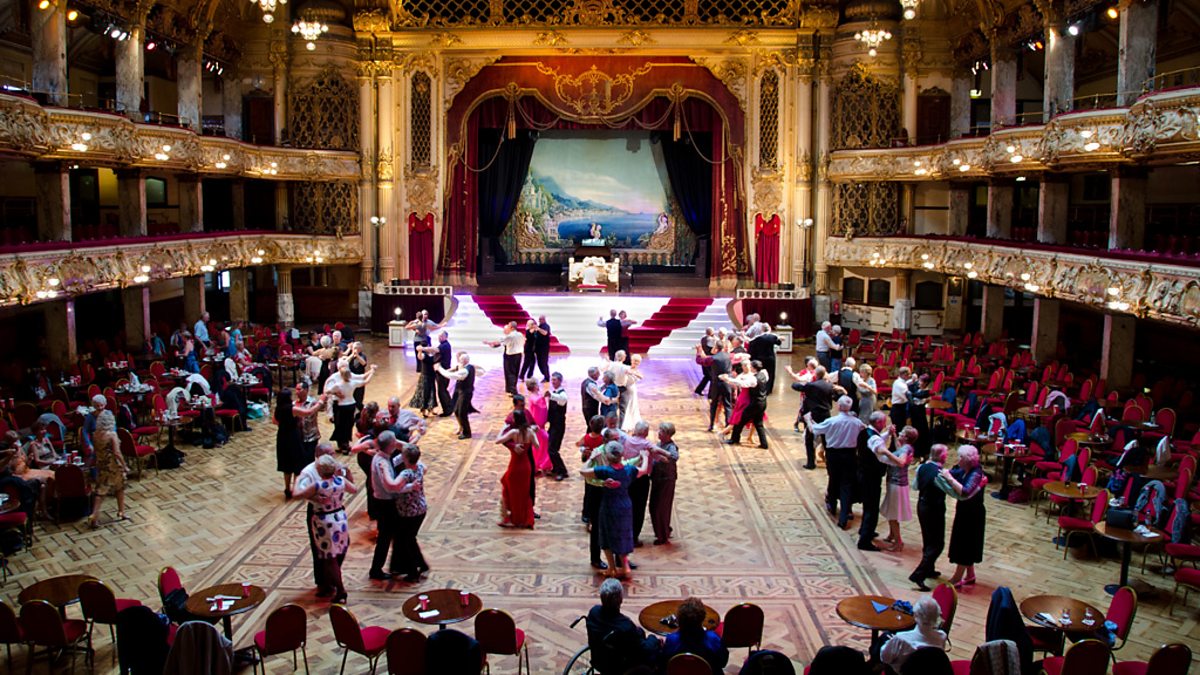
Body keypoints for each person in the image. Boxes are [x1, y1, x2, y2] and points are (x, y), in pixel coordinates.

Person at [292, 454, 357, 603]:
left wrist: (297, 481)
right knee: (338, 551)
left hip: (324, 521)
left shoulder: (318, 485)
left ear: (320, 471)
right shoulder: (340, 481)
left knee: (329, 557)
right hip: (339, 517)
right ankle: (333, 583)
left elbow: (296, 494)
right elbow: (353, 489)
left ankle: (340, 589)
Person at [581, 440, 650, 578]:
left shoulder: (606, 471)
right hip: (625, 505)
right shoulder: (628, 470)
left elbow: (583, 471)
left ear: (607, 456)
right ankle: (625, 566)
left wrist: (591, 458)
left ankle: (611, 568)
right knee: (623, 534)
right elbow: (643, 470)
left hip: (609, 506)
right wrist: (645, 457)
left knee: (606, 535)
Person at [805, 396, 866, 529]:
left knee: (834, 479)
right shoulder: (856, 422)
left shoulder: (832, 421)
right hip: (850, 455)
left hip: (833, 455)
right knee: (846, 484)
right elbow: (864, 429)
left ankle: (832, 505)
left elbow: (814, 430)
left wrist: (809, 420)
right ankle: (844, 516)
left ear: (838, 406)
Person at [586, 579, 659, 674]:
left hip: (599, 660)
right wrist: (653, 638)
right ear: (620, 599)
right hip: (620, 667)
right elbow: (644, 650)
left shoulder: (593, 612)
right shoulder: (625, 627)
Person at [294, 441, 338, 596]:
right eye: (331, 453)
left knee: (335, 548)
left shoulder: (332, 466)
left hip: (335, 512)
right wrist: (315, 496)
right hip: (317, 513)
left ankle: (332, 578)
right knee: (320, 549)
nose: (334, 456)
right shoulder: (308, 471)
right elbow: (298, 492)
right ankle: (323, 583)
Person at [942, 444, 987, 588]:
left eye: (960, 457)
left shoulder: (976, 473)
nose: (958, 459)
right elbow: (951, 472)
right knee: (966, 543)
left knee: (964, 545)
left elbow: (965, 491)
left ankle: (957, 578)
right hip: (964, 511)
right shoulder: (964, 469)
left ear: (967, 459)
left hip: (973, 515)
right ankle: (970, 575)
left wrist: (949, 478)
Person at [909, 444, 949, 590]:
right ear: (943, 456)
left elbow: (915, 487)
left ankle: (929, 569)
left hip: (922, 505)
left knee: (928, 540)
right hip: (934, 509)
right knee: (938, 544)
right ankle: (919, 574)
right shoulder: (939, 473)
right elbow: (949, 490)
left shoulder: (922, 468)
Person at [368, 431, 406, 580]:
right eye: (394, 442)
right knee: (385, 537)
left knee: (393, 535)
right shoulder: (381, 462)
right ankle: (376, 569)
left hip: (384, 503)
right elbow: (390, 486)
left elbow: (406, 450)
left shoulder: (382, 457)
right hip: (385, 504)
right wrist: (407, 487)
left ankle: (396, 566)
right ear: (390, 445)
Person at [659, 597, 728, 674]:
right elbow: (723, 662)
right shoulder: (714, 639)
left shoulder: (671, 640)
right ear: (703, 618)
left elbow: (664, 664)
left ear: (679, 620)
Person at [858, 412, 895, 552]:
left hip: (863, 474)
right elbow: (879, 449)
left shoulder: (866, 432)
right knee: (872, 509)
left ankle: (864, 530)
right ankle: (865, 540)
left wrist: (888, 434)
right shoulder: (873, 438)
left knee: (868, 506)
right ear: (878, 423)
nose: (885, 425)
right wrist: (897, 460)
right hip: (870, 476)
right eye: (884, 423)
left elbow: (876, 440)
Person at [880, 596, 947, 672]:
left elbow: (884, 658)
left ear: (915, 615)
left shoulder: (900, 639)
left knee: (885, 636)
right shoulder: (942, 636)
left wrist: (890, 643)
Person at [393, 443, 429, 582]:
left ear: (405, 458)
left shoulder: (405, 473)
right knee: (410, 539)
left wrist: (407, 487)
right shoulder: (419, 467)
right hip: (420, 507)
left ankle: (413, 572)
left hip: (409, 511)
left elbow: (394, 487)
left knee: (406, 541)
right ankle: (422, 564)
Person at [495, 410, 537, 528]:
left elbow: (498, 440)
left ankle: (506, 516)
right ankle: (523, 517)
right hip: (526, 466)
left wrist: (502, 429)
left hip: (515, 466)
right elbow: (537, 445)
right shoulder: (529, 432)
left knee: (508, 490)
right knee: (523, 493)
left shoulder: (513, 432)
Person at [88, 410, 128, 528]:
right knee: (120, 487)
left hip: (101, 463)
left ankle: (95, 514)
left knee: (101, 490)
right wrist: (124, 465)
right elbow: (117, 452)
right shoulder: (112, 435)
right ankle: (121, 512)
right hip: (112, 465)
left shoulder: (95, 434)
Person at [579, 415, 609, 568]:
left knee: (589, 501)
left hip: (592, 480)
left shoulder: (590, 441)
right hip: (600, 484)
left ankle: (587, 516)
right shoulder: (604, 448)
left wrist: (585, 453)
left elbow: (584, 463)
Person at [326, 363, 377, 453]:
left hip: (342, 406)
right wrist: (372, 372)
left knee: (341, 425)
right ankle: (345, 444)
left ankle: (344, 445)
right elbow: (365, 381)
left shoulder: (338, 385)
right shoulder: (353, 383)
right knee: (348, 425)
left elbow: (327, 391)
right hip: (351, 405)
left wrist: (336, 393)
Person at [881, 426, 916, 552]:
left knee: (892, 514)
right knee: (892, 511)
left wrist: (886, 452)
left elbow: (901, 462)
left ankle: (898, 542)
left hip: (897, 484)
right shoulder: (906, 447)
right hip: (897, 483)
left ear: (906, 437)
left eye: (901, 433)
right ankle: (892, 535)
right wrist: (894, 435)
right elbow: (899, 449)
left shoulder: (906, 449)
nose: (900, 434)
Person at [723, 359, 770, 449]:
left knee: (740, 421)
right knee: (759, 424)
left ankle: (734, 439)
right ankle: (764, 444)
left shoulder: (754, 379)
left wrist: (727, 379)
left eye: (751, 366)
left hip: (755, 404)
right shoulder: (763, 374)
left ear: (754, 368)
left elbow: (742, 383)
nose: (750, 367)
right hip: (763, 402)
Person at [796, 365, 834, 470]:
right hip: (826, 414)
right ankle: (829, 461)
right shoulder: (829, 385)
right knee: (826, 439)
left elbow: (795, 386)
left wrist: (803, 383)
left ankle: (811, 463)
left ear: (816, 374)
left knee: (809, 439)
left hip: (815, 415)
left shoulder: (812, 386)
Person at [436, 351, 479, 439]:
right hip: (461, 392)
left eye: (461, 360)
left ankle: (467, 433)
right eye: (460, 360)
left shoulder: (464, 371)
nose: (460, 362)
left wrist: (440, 368)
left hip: (465, 393)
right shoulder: (466, 367)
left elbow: (450, 375)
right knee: (456, 410)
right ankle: (462, 428)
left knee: (462, 413)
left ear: (466, 361)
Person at [648, 422, 679, 545]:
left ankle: (663, 535)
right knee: (654, 506)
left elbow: (674, 456)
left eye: (661, 431)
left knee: (661, 508)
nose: (658, 433)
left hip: (666, 480)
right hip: (657, 478)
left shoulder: (670, 446)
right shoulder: (660, 444)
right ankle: (664, 530)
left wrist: (659, 452)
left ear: (667, 434)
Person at [696, 340, 733, 432]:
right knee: (728, 404)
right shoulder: (729, 356)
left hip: (716, 383)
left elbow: (700, 361)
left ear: (716, 348)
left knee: (714, 404)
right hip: (727, 382)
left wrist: (698, 352)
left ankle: (712, 425)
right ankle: (728, 425)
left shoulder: (713, 358)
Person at [274, 390, 303, 500]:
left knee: (286, 464)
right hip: (293, 436)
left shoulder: (278, 408)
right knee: (296, 462)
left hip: (282, 436)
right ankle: (296, 488)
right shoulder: (292, 409)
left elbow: (275, 421)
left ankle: (287, 488)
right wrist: (320, 402)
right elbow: (308, 412)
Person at [484, 321, 524, 396]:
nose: (507, 327)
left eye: (508, 326)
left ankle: (513, 391)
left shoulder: (510, 336)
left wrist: (488, 343)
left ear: (512, 327)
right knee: (515, 372)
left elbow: (497, 343)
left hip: (511, 356)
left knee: (510, 373)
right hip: (519, 355)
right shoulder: (520, 334)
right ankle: (511, 389)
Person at [546, 372, 569, 480]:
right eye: (552, 379)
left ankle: (562, 471)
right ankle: (556, 468)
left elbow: (563, 400)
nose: (552, 381)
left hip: (558, 425)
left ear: (560, 381)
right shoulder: (555, 392)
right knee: (550, 447)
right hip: (553, 424)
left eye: (554, 380)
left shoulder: (561, 393)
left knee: (553, 449)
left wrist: (551, 396)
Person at [747, 326, 781, 394]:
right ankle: (768, 390)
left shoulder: (757, 338)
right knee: (770, 374)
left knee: (760, 373)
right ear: (770, 329)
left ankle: (761, 387)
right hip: (770, 359)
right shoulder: (772, 337)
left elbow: (751, 345)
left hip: (760, 358)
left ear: (762, 329)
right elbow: (779, 342)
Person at [410, 337, 438, 416]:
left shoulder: (431, 353)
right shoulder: (423, 355)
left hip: (431, 375)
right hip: (425, 376)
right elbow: (420, 356)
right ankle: (424, 410)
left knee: (432, 392)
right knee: (425, 393)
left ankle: (431, 408)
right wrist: (420, 350)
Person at [618, 354, 645, 432]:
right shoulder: (627, 368)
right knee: (627, 406)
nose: (636, 363)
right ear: (631, 360)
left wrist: (633, 373)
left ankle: (633, 422)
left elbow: (641, 376)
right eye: (635, 361)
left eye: (638, 361)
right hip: (626, 390)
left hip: (633, 390)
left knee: (633, 406)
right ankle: (625, 424)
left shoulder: (636, 371)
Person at [432, 332, 455, 416]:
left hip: (443, 372)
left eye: (441, 336)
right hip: (443, 371)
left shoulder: (445, 346)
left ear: (446, 337)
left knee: (442, 391)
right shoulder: (444, 345)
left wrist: (423, 348)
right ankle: (450, 407)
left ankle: (447, 410)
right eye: (439, 336)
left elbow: (435, 350)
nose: (440, 338)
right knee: (443, 390)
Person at [694, 328, 716, 396]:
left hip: (704, 360)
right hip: (708, 360)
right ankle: (711, 394)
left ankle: (698, 390)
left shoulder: (703, 338)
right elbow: (714, 345)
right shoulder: (710, 340)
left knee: (707, 376)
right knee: (711, 377)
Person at [534, 315, 552, 380]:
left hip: (544, 349)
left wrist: (538, 329)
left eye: (540, 320)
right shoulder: (540, 326)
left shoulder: (546, 326)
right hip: (539, 348)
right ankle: (545, 375)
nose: (539, 321)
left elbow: (545, 333)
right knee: (539, 363)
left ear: (543, 320)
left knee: (543, 363)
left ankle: (547, 377)